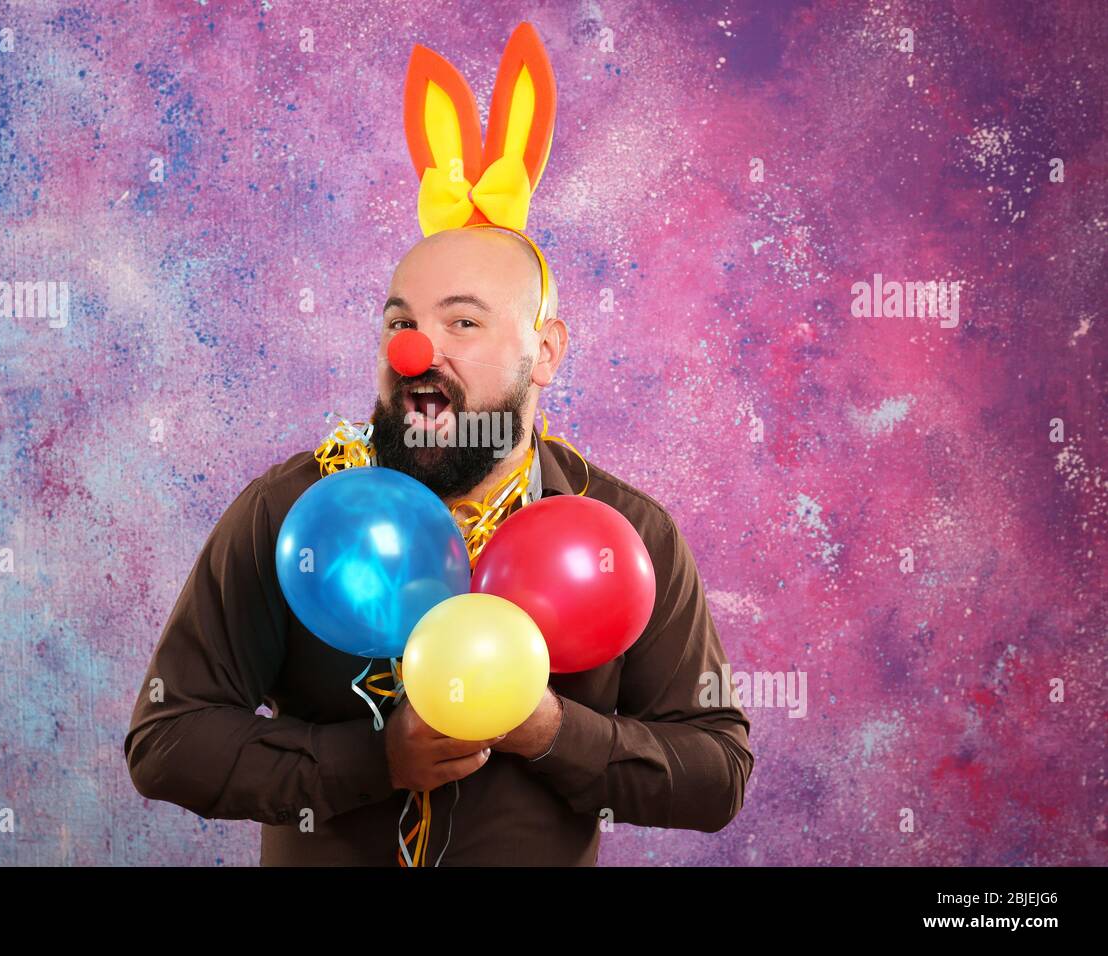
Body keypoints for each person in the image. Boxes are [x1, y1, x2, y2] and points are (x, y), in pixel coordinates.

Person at [124, 21, 753, 866]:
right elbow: (166, 740)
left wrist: (553, 732)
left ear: (546, 353)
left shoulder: (623, 535)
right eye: (401, 324)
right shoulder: (294, 513)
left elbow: (717, 772)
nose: (416, 353)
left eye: (463, 322)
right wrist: (372, 762)